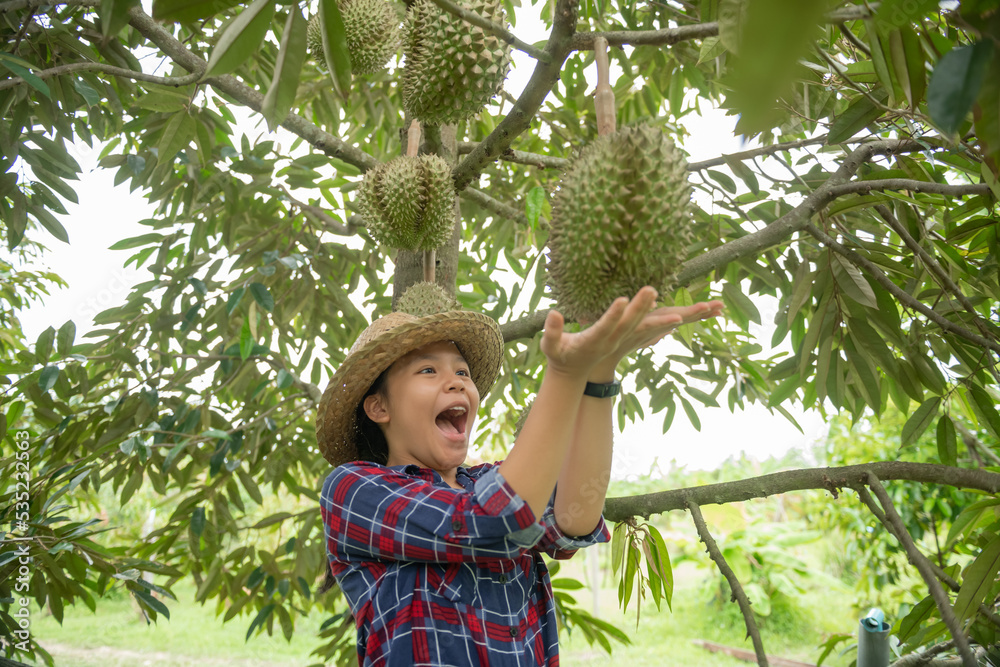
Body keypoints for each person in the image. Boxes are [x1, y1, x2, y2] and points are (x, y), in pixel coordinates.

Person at [316, 286, 723, 666]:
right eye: (427, 370)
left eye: (463, 372)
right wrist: (564, 375)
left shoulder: (489, 479)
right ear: (378, 408)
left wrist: (599, 376)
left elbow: (574, 518)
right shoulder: (353, 489)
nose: (457, 381)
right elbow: (491, 520)